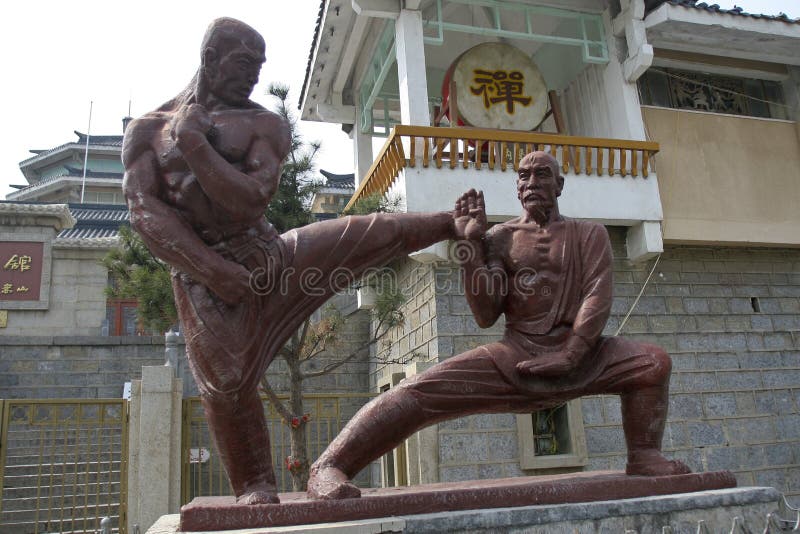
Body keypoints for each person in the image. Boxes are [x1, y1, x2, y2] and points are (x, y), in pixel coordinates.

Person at [122, 17, 479, 505]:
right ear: (210, 59)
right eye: (244, 64)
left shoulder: (263, 124)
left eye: (260, 66)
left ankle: (446, 223)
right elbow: (145, 212)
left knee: (364, 233)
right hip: (204, 279)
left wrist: (195, 144)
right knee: (226, 385)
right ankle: (254, 486)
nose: (254, 76)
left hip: (269, 254)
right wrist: (213, 270)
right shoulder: (147, 130)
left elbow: (250, 200)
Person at [307, 151, 690, 500]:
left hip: (582, 352)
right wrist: (472, 246)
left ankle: (644, 455)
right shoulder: (500, 238)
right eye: (523, 176)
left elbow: (597, 295)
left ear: (559, 185)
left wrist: (573, 353)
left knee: (652, 363)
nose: (531, 183)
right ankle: (328, 467)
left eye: (542, 174)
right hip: (516, 356)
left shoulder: (590, 234)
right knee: (418, 391)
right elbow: (486, 313)